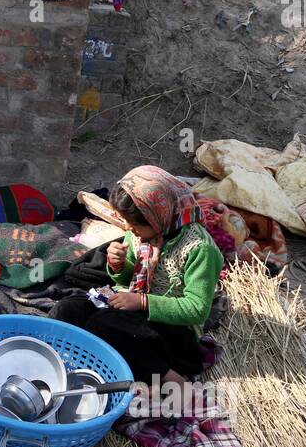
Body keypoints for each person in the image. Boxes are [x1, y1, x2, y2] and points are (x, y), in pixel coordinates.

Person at [53, 165, 222, 387]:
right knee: (68, 308)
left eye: (134, 225)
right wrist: (118, 265)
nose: (129, 229)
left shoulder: (200, 248)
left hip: (176, 333)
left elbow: (197, 310)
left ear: (157, 217)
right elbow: (126, 281)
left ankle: (169, 378)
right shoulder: (142, 234)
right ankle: (72, 363)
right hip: (137, 313)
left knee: (104, 325)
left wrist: (142, 302)